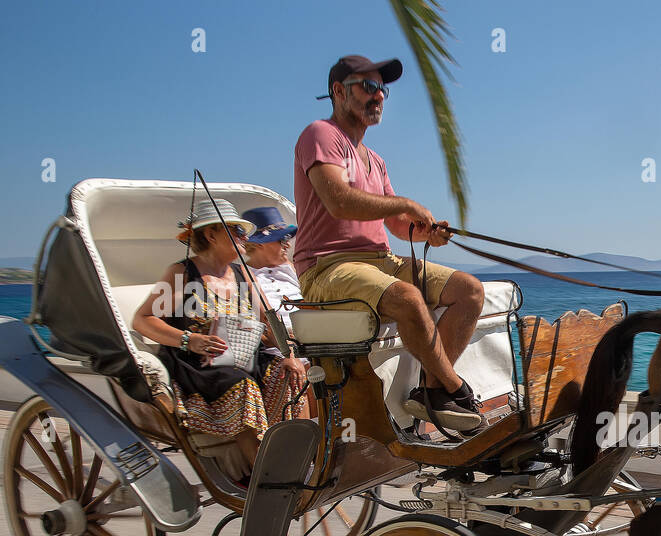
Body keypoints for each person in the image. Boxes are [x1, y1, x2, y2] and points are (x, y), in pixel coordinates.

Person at [293, 54, 486, 435]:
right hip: (328, 267)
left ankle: (431, 391)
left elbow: (397, 224)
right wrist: (405, 204)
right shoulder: (320, 134)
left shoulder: (375, 160)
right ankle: (455, 388)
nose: (378, 95)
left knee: (470, 291)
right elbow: (340, 201)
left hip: (380, 260)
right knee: (409, 298)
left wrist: (425, 232)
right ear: (338, 91)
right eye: (368, 86)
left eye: (382, 89)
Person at [131, 198, 309, 478]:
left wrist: (290, 357)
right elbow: (143, 320)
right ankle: (263, 475)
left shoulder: (242, 274)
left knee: (291, 376)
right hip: (199, 366)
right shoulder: (182, 273)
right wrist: (189, 339)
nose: (244, 238)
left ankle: (296, 458)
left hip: (242, 357)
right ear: (211, 234)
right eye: (237, 232)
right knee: (244, 386)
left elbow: (267, 320)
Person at [241, 205, 300, 338]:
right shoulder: (241, 275)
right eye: (282, 239)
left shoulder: (293, 269)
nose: (288, 245)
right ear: (260, 244)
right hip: (273, 349)